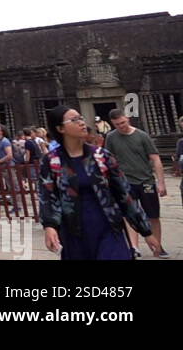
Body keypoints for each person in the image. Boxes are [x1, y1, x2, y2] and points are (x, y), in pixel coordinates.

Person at [39, 105, 157, 260]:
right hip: (74, 232)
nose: (82, 122)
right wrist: (50, 226)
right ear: (60, 128)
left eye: (81, 118)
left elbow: (124, 193)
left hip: (107, 226)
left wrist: (145, 230)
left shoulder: (101, 156)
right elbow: (47, 197)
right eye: (74, 120)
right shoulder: (52, 161)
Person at [104, 109, 169, 259]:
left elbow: (155, 159)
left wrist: (161, 182)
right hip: (125, 182)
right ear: (113, 124)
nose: (122, 126)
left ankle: (157, 246)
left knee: (153, 215)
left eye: (123, 122)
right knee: (129, 214)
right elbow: (108, 159)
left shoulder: (141, 136)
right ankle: (134, 247)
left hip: (146, 181)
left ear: (127, 119)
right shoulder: (111, 137)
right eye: (118, 125)